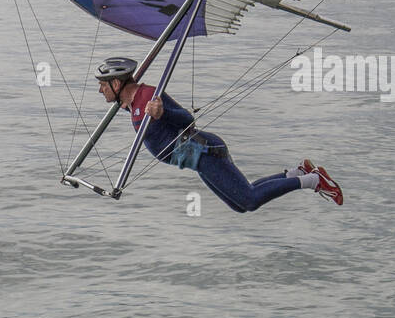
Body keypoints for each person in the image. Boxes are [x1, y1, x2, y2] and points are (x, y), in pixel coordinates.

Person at [93, 58, 343, 211]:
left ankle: (313, 180)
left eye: (104, 84)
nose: (100, 89)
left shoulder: (148, 96)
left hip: (204, 151)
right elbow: (140, 116)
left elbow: (186, 119)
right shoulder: (131, 104)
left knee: (250, 200)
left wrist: (162, 114)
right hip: (196, 160)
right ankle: (295, 172)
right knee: (240, 204)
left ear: (117, 84)